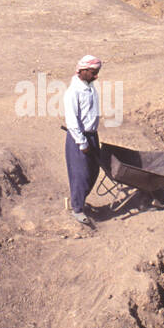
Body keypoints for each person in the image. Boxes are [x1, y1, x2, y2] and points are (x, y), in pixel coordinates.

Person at [64, 54, 102, 225]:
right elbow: (72, 120)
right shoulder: (73, 92)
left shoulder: (89, 86)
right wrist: (82, 142)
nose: (96, 76)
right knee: (80, 174)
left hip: (92, 135)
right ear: (83, 70)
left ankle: (79, 201)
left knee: (93, 171)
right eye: (93, 72)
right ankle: (77, 209)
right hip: (79, 137)